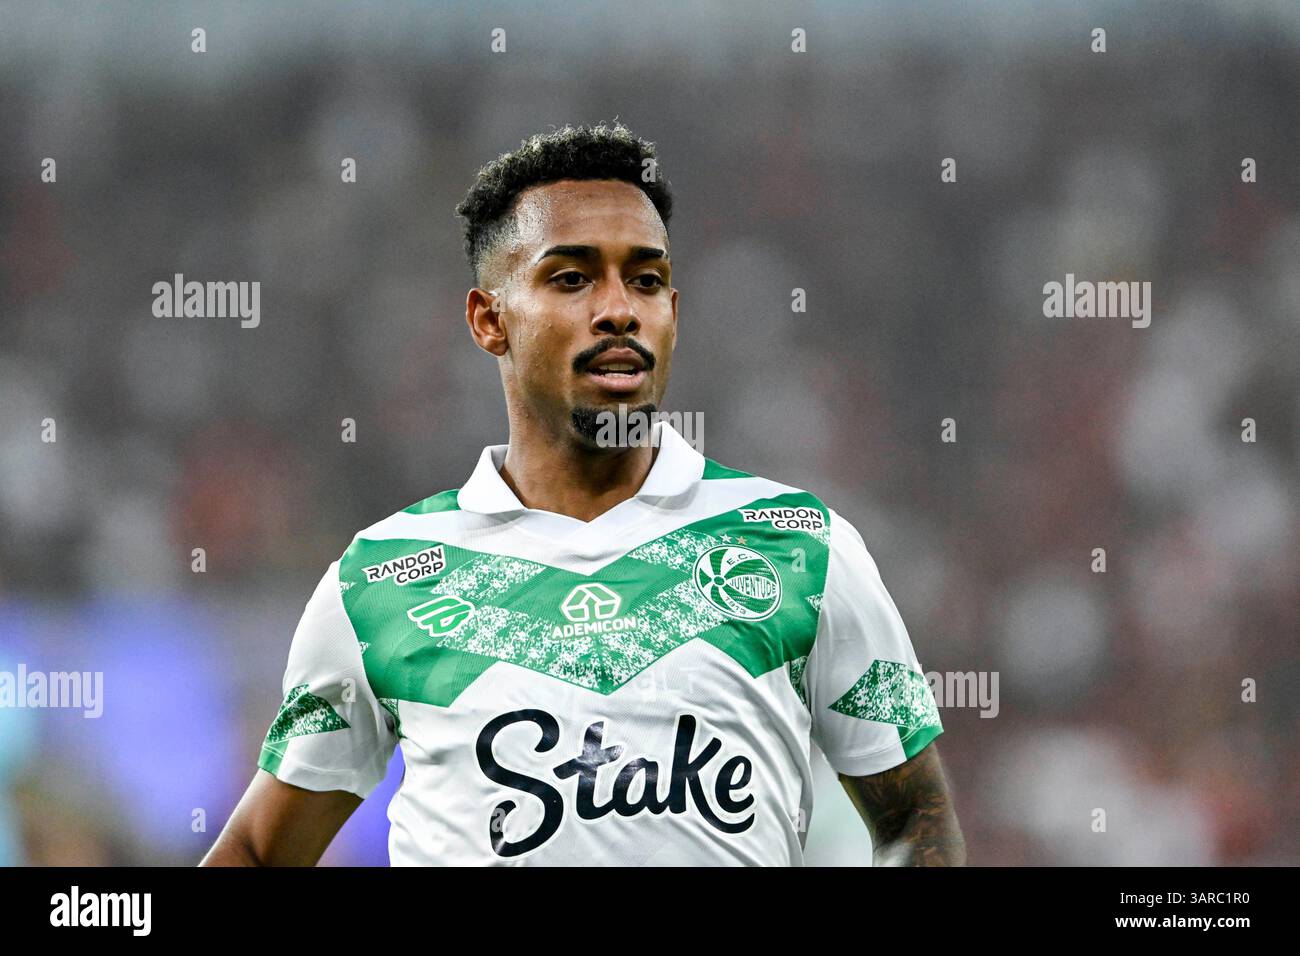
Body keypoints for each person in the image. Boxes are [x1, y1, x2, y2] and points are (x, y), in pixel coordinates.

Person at [201, 122, 964, 866]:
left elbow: (915, 819)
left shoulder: (800, 544)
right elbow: (259, 848)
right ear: (488, 320)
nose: (619, 308)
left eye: (647, 279)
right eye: (571, 277)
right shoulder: (382, 578)